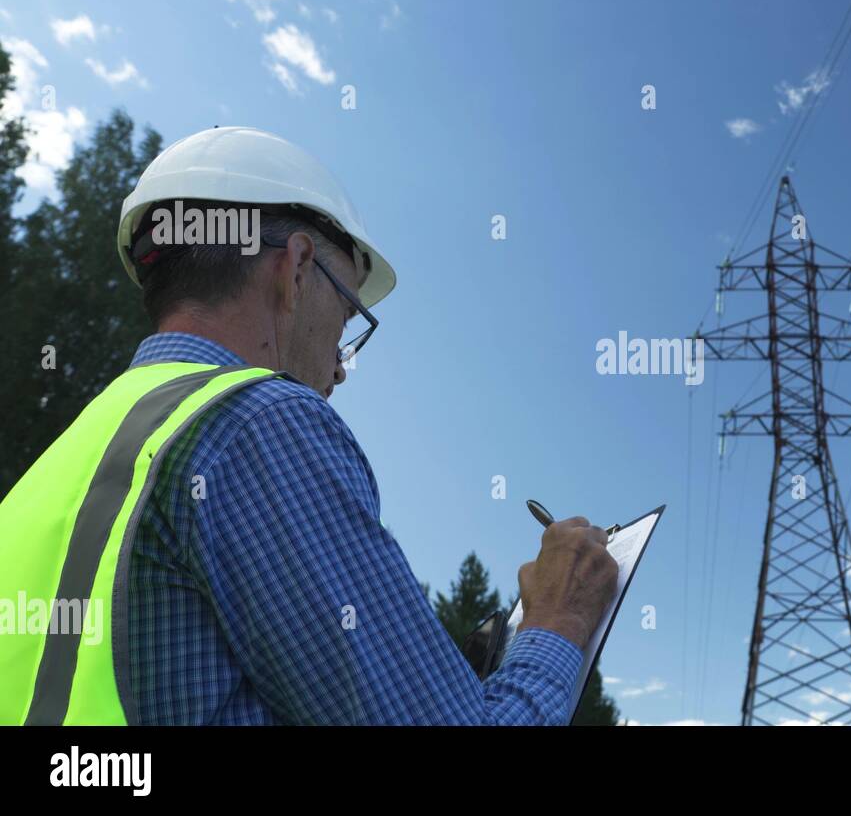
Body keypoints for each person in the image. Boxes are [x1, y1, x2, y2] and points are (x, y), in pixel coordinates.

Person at [0, 126, 618, 725]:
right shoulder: (255, 424)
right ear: (296, 269)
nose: (340, 372)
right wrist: (560, 618)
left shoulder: (59, 466)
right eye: (348, 318)